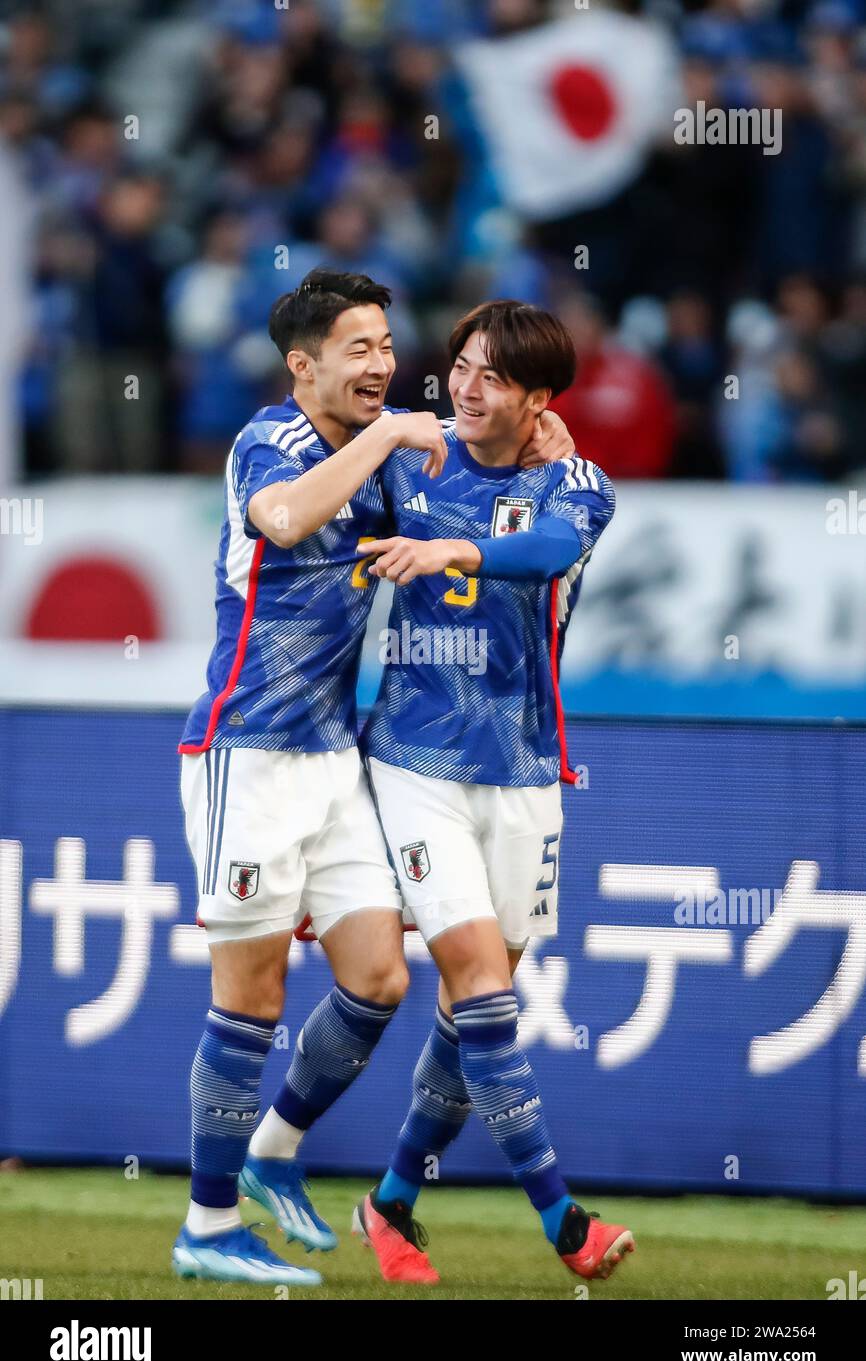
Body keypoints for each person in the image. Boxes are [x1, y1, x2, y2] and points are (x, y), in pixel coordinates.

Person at [172, 271, 572, 1285]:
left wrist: (546, 466)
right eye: (359, 349)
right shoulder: (273, 441)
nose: (385, 366)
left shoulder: (386, 453)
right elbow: (285, 520)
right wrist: (391, 434)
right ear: (302, 366)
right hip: (249, 750)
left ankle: (270, 1155)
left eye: (388, 346)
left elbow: (463, 506)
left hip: (337, 757)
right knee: (251, 994)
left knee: (379, 976)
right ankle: (206, 1226)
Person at [351, 300, 634, 1284]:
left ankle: (389, 1204)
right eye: (460, 367)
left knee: (474, 1011)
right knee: (479, 990)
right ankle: (566, 1223)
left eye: (493, 378)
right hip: (414, 762)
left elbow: (550, 551)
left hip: (521, 772)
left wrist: (456, 551)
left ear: (539, 398)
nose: (465, 388)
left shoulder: (577, 483)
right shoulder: (408, 462)